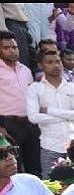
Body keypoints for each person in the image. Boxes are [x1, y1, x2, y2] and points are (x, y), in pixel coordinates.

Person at [25, 49, 74, 178]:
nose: (55, 65)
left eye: (58, 61)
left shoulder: (73, 87)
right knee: (52, 185)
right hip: (50, 146)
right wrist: (69, 116)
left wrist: (49, 110)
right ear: (40, 65)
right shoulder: (35, 89)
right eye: (49, 62)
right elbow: (33, 117)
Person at [0, 30, 42, 177]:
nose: (12, 51)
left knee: (35, 168)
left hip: (30, 124)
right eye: (6, 48)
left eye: (14, 47)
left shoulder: (25, 70)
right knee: (14, 169)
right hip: (9, 126)